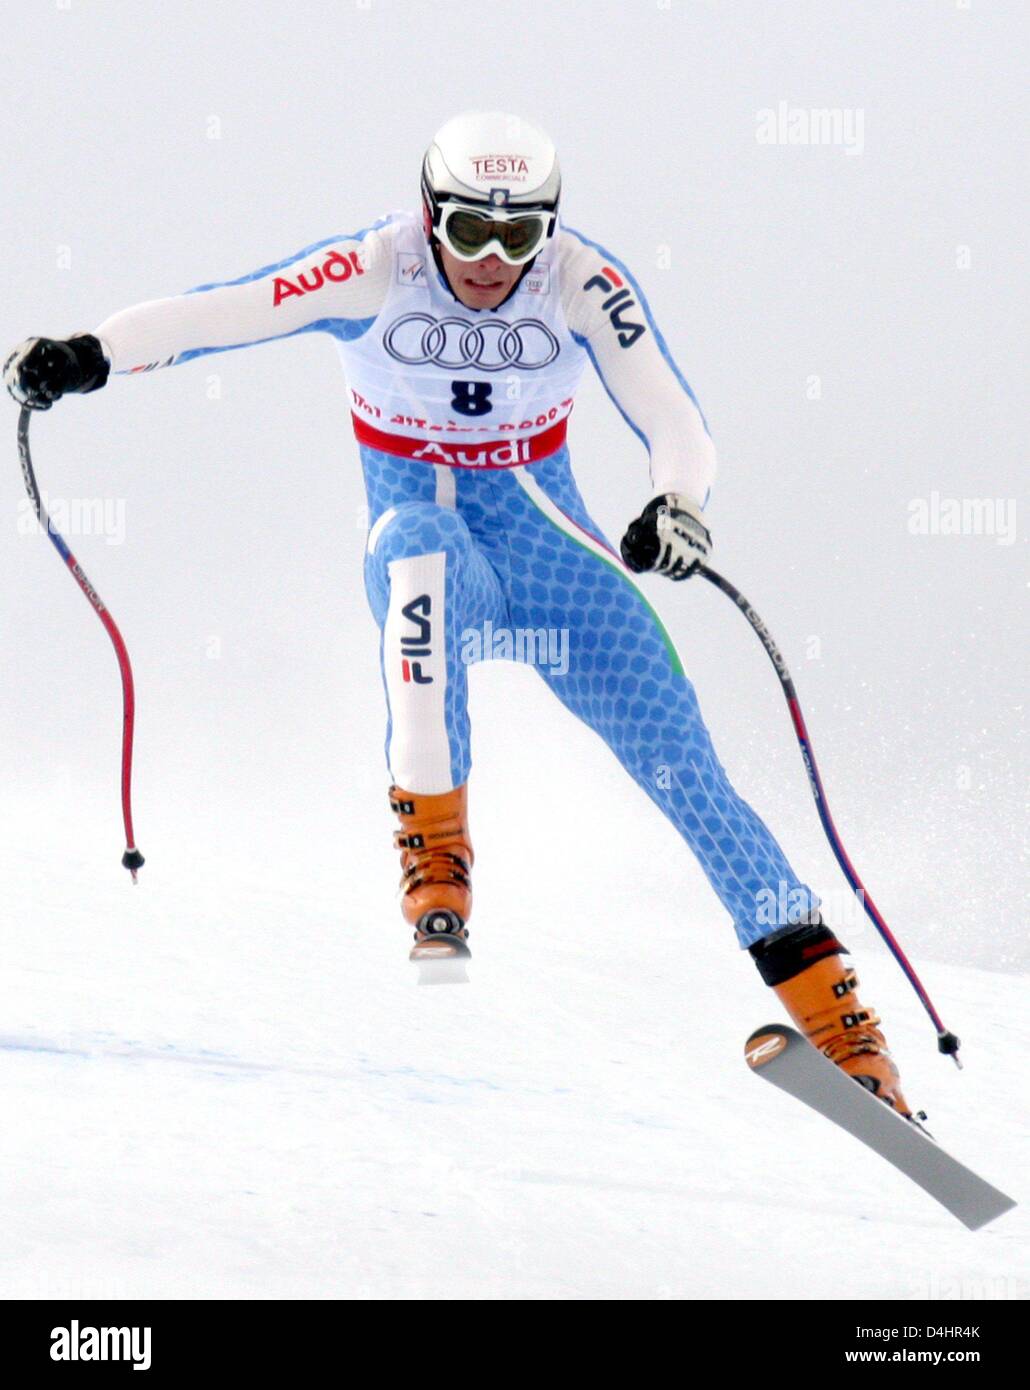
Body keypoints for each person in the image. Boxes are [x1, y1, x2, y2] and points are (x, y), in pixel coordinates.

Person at [4, 111, 913, 1115]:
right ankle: (435, 857)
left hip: (561, 574)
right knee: (411, 550)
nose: (489, 260)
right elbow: (218, 313)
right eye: (468, 232)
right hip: (435, 561)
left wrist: (679, 504)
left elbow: (670, 414)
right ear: (428, 213)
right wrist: (86, 354)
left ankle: (844, 1028)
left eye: (517, 237)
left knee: (693, 781)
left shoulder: (581, 279)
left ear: (549, 228)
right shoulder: (374, 266)